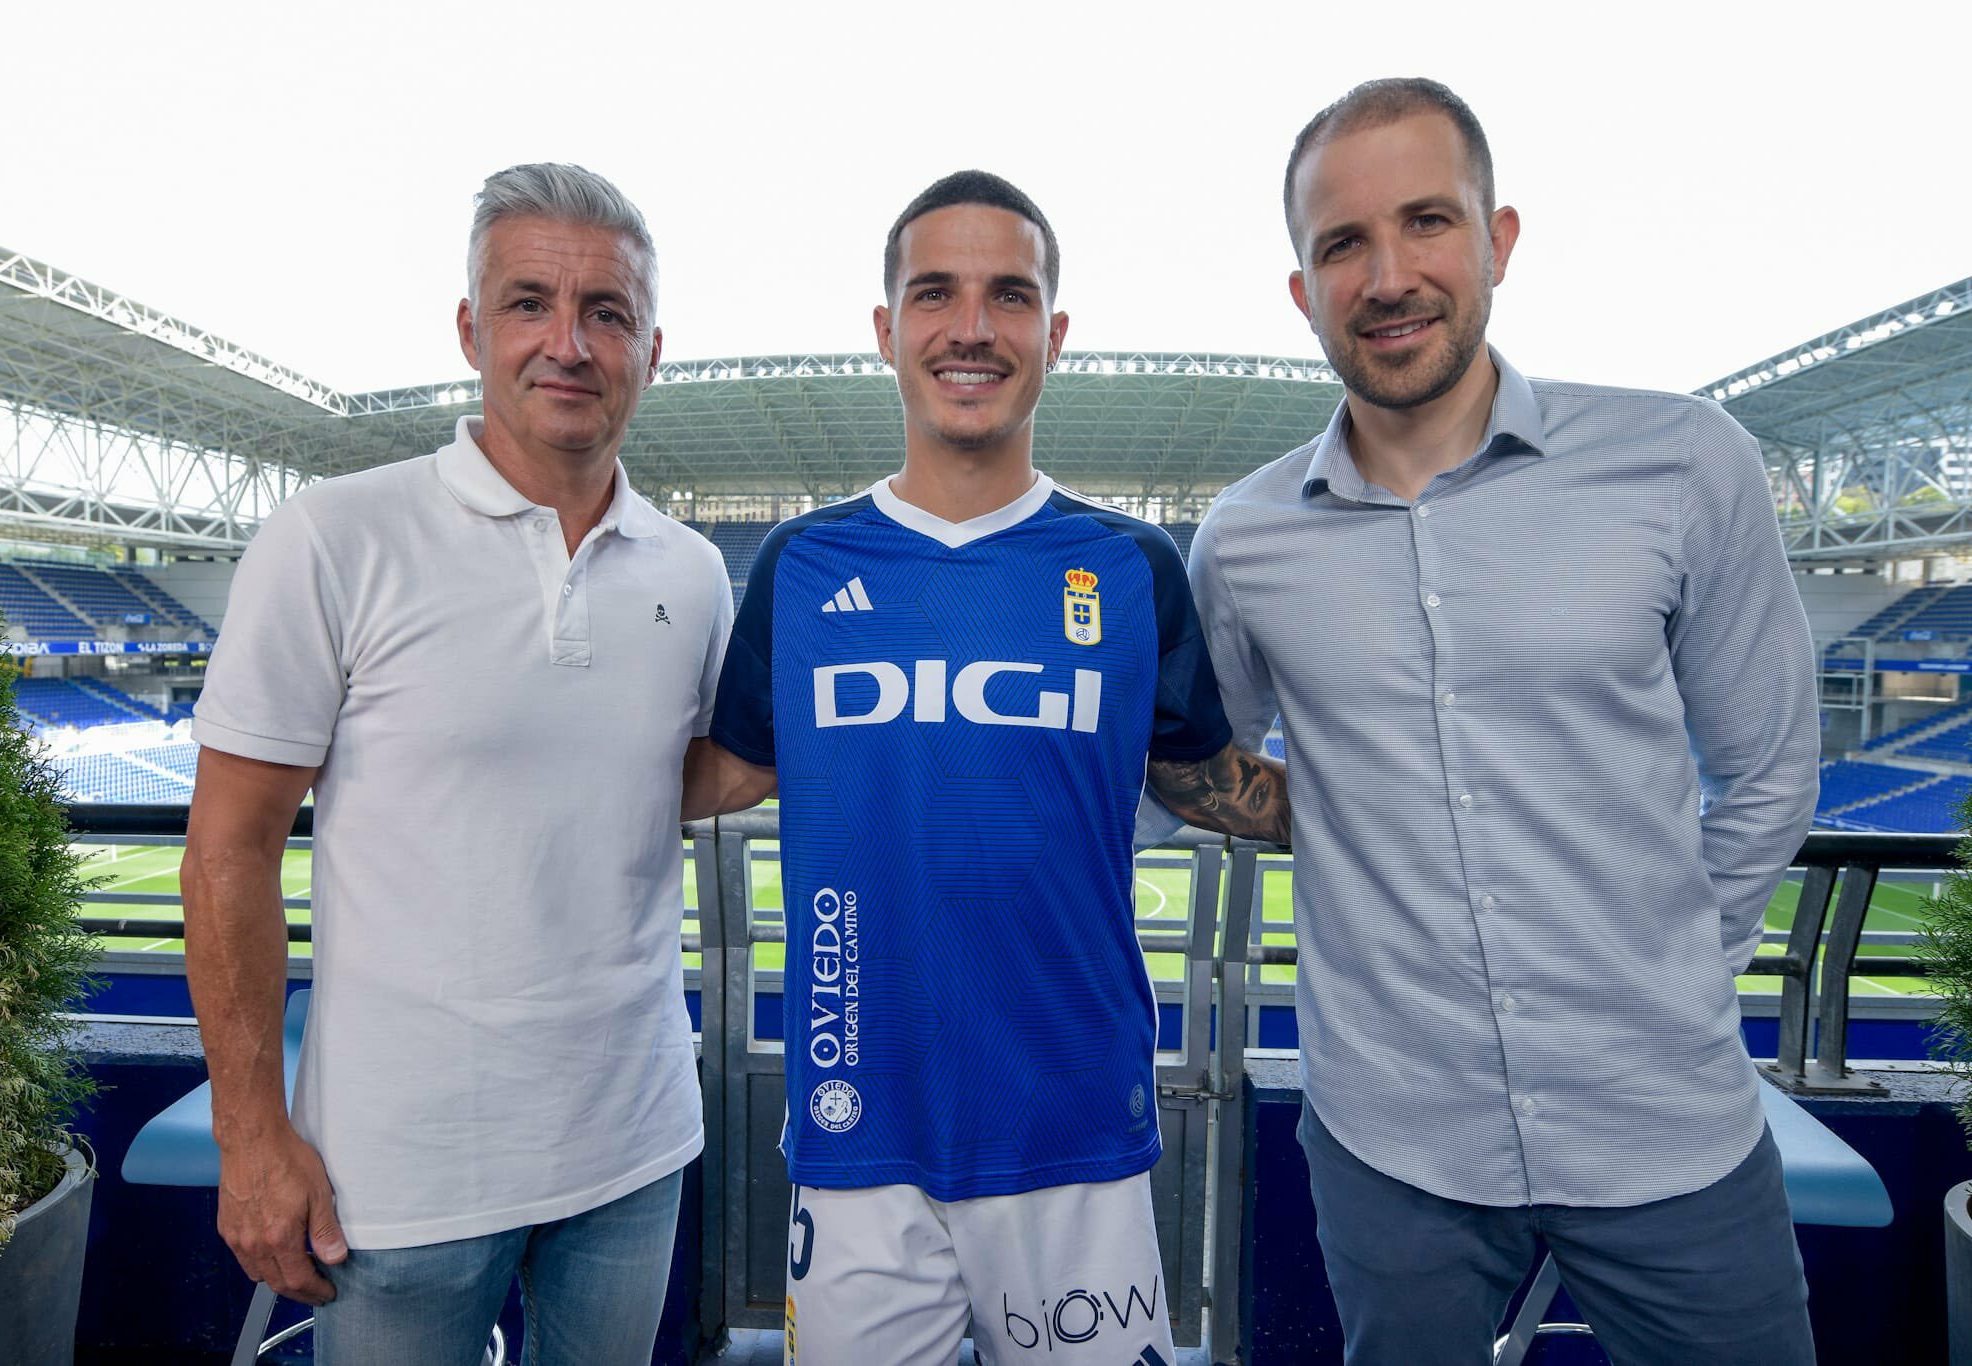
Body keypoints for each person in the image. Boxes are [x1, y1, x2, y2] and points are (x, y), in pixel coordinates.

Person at [1183, 78, 1821, 1365]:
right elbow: (1196, 762)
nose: (1387, 274)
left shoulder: (1683, 460)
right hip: (1392, 1139)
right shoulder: (1242, 537)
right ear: (1302, 291)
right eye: (1341, 244)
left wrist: (1680, 982)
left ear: (1498, 240)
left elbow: (1766, 767)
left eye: (1425, 222)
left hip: (1666, 1125)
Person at [681, 170, 1290, 1365]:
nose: (970, 326)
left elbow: (1200, 776)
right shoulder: (803, 566)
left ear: (1052, 335)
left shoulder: (1129, 567)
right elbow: (722, 772)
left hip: (1071, 1132)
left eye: (1007, 295)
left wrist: (1421, 800)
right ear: (885, 330)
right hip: (859, 1134)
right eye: (934, 294)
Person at [181, 163, 731, 1364]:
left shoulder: (690, 573)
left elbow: (670, 775)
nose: (568, 344)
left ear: (651, 347)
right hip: (398, 1174)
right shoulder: (332, 537)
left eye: (607, 314)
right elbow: (228, 848)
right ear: (471, 328)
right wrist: (251, 1136)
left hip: (630, 1143)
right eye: (530, 302)